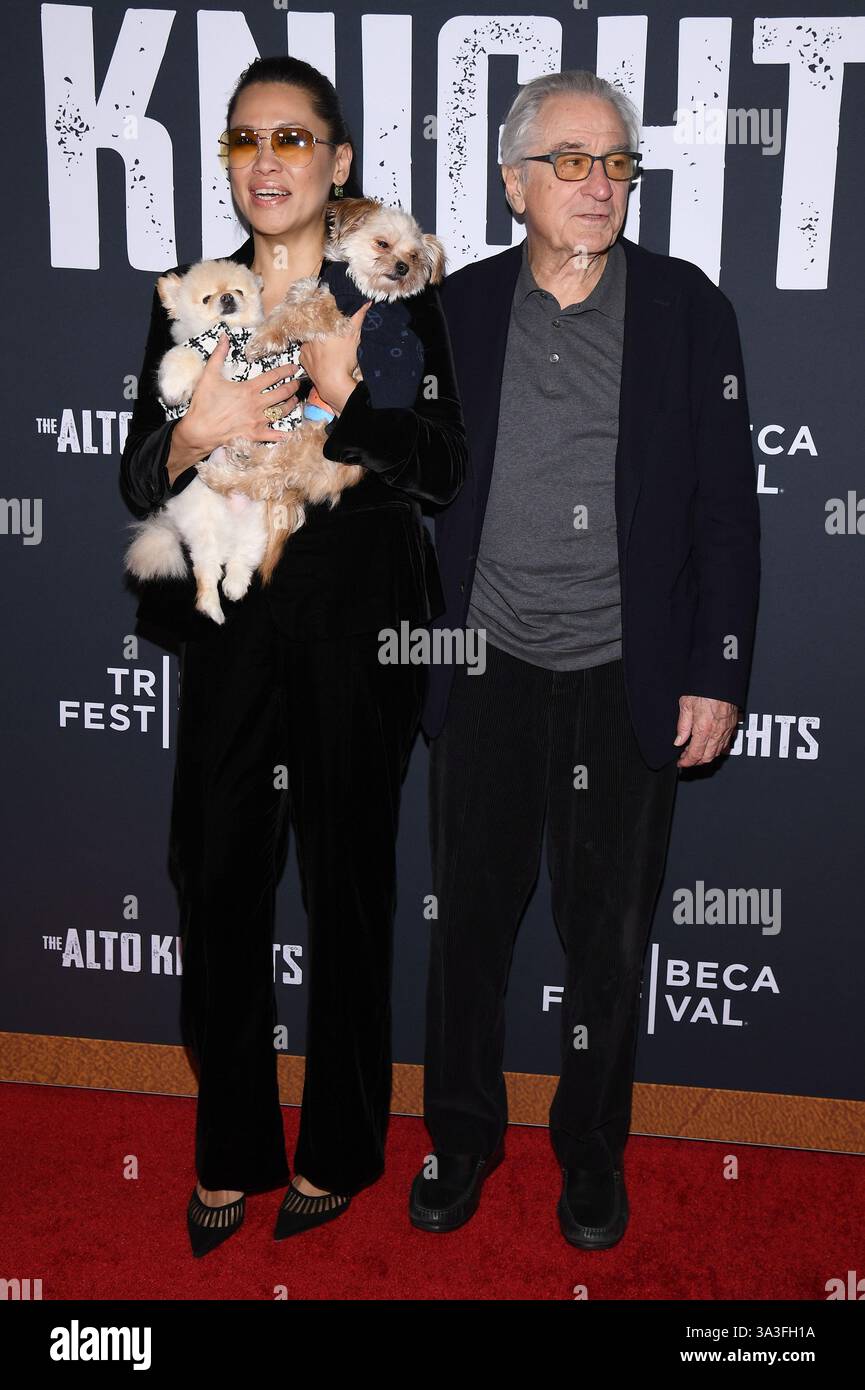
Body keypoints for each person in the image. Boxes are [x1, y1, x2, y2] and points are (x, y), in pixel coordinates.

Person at [119, 55, 465, 1257]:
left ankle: (339, 1145)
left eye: (293, 139)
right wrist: (193, 431)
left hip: (360, 632)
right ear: (228, 163)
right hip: (230, 635)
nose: (268, 162)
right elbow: (132, 475)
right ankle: (228, 1148)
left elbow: (441, 465)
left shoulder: (394, 284)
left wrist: (348, 397)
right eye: (245, 142)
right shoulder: (193, 295)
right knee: (214, 882)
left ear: (338, 160)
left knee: (348, 886)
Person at [409, 70, 760, 1248]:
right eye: (569, 161)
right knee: (466, 933)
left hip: (626, 673)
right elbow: (390, 485)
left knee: (607, 942)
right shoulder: (452, 311)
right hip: (486, 663)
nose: (598, 184)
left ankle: (591, 1156)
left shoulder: (685, 311)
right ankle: (458, 1139)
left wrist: (714, 667)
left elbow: (726, 511)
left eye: (615, 163)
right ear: (514, 183)